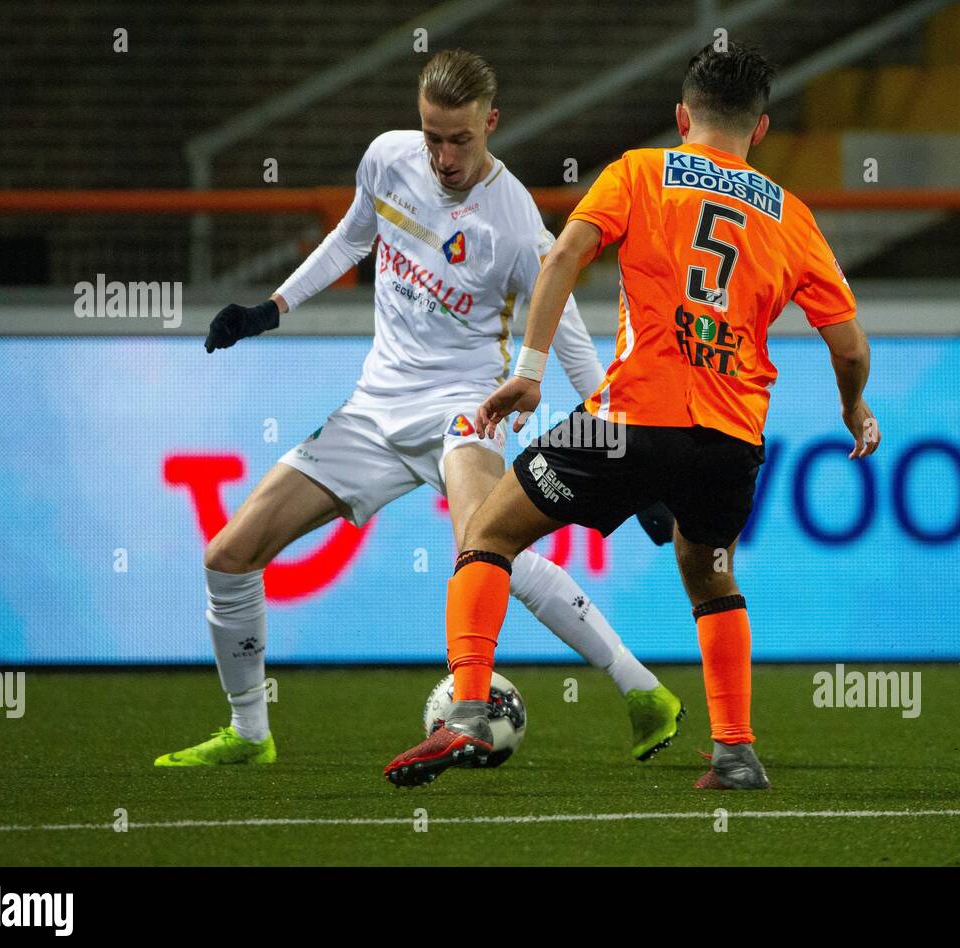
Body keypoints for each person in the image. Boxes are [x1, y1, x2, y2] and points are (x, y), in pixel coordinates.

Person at [155, 49, 684, 769]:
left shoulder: (516, 221)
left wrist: (629, 458)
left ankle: (640, 690)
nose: (442, 155)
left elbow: (574, 348)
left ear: (491, 124)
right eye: (432, 135)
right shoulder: (388, 160)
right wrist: (272, 309)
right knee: (228, 556)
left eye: (459, 139)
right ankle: (250, 732)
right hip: (372, 410)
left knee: (486, 547)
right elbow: (351, 233)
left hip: (465, 411)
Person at [384, 41, 879, 791]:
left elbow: (562, 257)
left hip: (624, 417)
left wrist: (528, 371)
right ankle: (737, 752)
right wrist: (853, 408)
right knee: (710, 571)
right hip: (731, 439)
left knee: (487, 529)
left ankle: (469, 710)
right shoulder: (793, 217)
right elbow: (848, 345)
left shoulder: (641, 171)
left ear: (682, 116)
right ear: (762, 130)